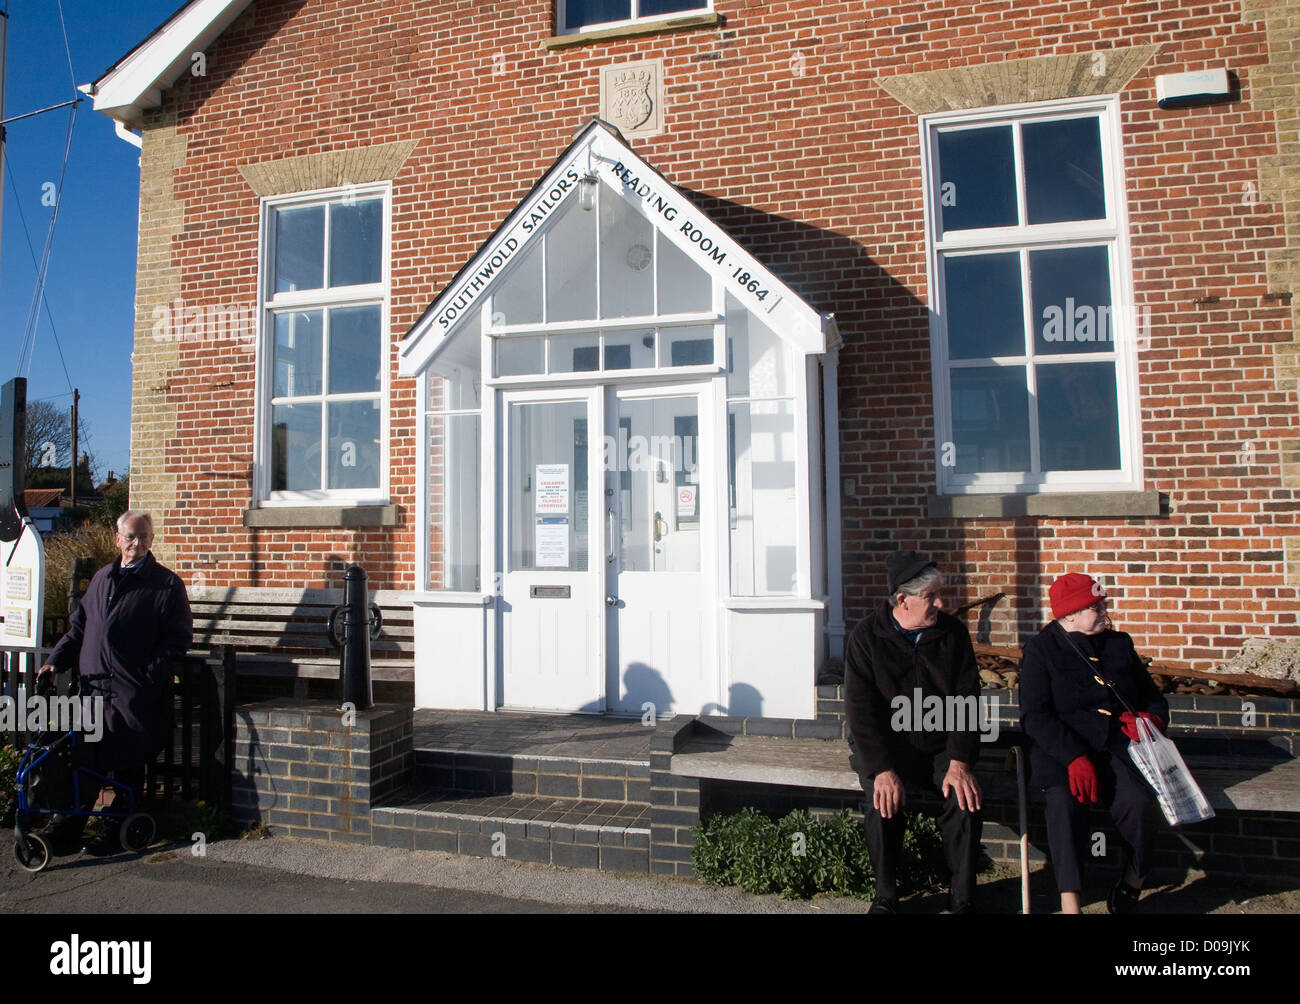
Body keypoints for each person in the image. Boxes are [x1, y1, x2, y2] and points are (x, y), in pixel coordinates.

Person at [38, 510, 193, 855]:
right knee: (85, 759)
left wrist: (146, 674)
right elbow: (78, 629)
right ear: (118, 539)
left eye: (145, 537)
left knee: (127, 759)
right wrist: (53, 662)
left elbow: (178, 640)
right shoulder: (100, 579)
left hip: (133, 692)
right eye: (131, 537)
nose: (137, 543)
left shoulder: (166, 585)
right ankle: (69, 825)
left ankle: (115, 826)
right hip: (94, 691)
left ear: (152, 541)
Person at [844, 549, 983, 914]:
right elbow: (861, 714)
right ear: (902, 600)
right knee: (882, 800)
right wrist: (882, 769)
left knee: (964, 798)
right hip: (890, 745)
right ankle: (886, 896)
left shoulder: (952, 635)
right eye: (930, 596)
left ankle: (963, 898)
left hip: (941, 742)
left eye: (940, 594)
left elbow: (967, 701)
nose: (940, 602)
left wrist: (960, 760)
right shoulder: (865, 638)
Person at [1019, 572, 1167, 914]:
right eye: (1095, 607)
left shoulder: (1120, 644)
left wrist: (1149, 720)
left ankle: (1132, 882)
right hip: (1062, 751)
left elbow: (1154, 699)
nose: (1104, 612)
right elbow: (1035, 716)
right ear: (1070, 615)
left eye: (1103, 605)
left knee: (1139, 804)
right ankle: (1070, 903)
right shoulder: (1041, 650)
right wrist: (1073, 757)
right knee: (1063, 807)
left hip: (1117, 747)